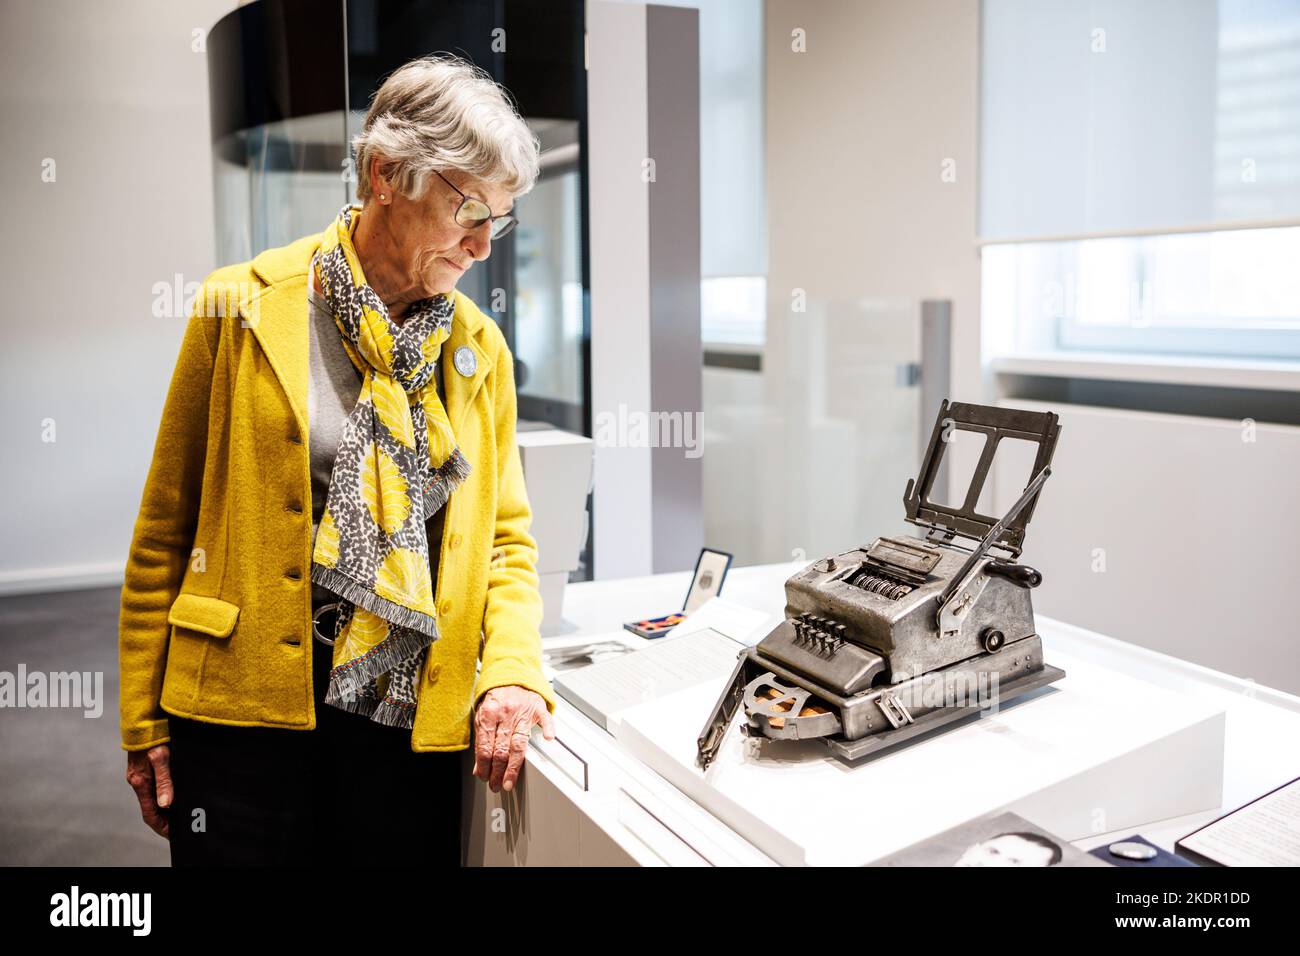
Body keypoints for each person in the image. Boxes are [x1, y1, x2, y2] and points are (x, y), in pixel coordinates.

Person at [119, 53, 557, 866]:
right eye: (469, 208)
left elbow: (506, 543)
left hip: (404, 718)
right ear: (388, 174)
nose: (483, 243)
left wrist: (514, 671)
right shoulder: (237, 304)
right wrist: (142, 720)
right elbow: (164, 532)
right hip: (239, 720)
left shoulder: (476, 349)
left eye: (500, 218)